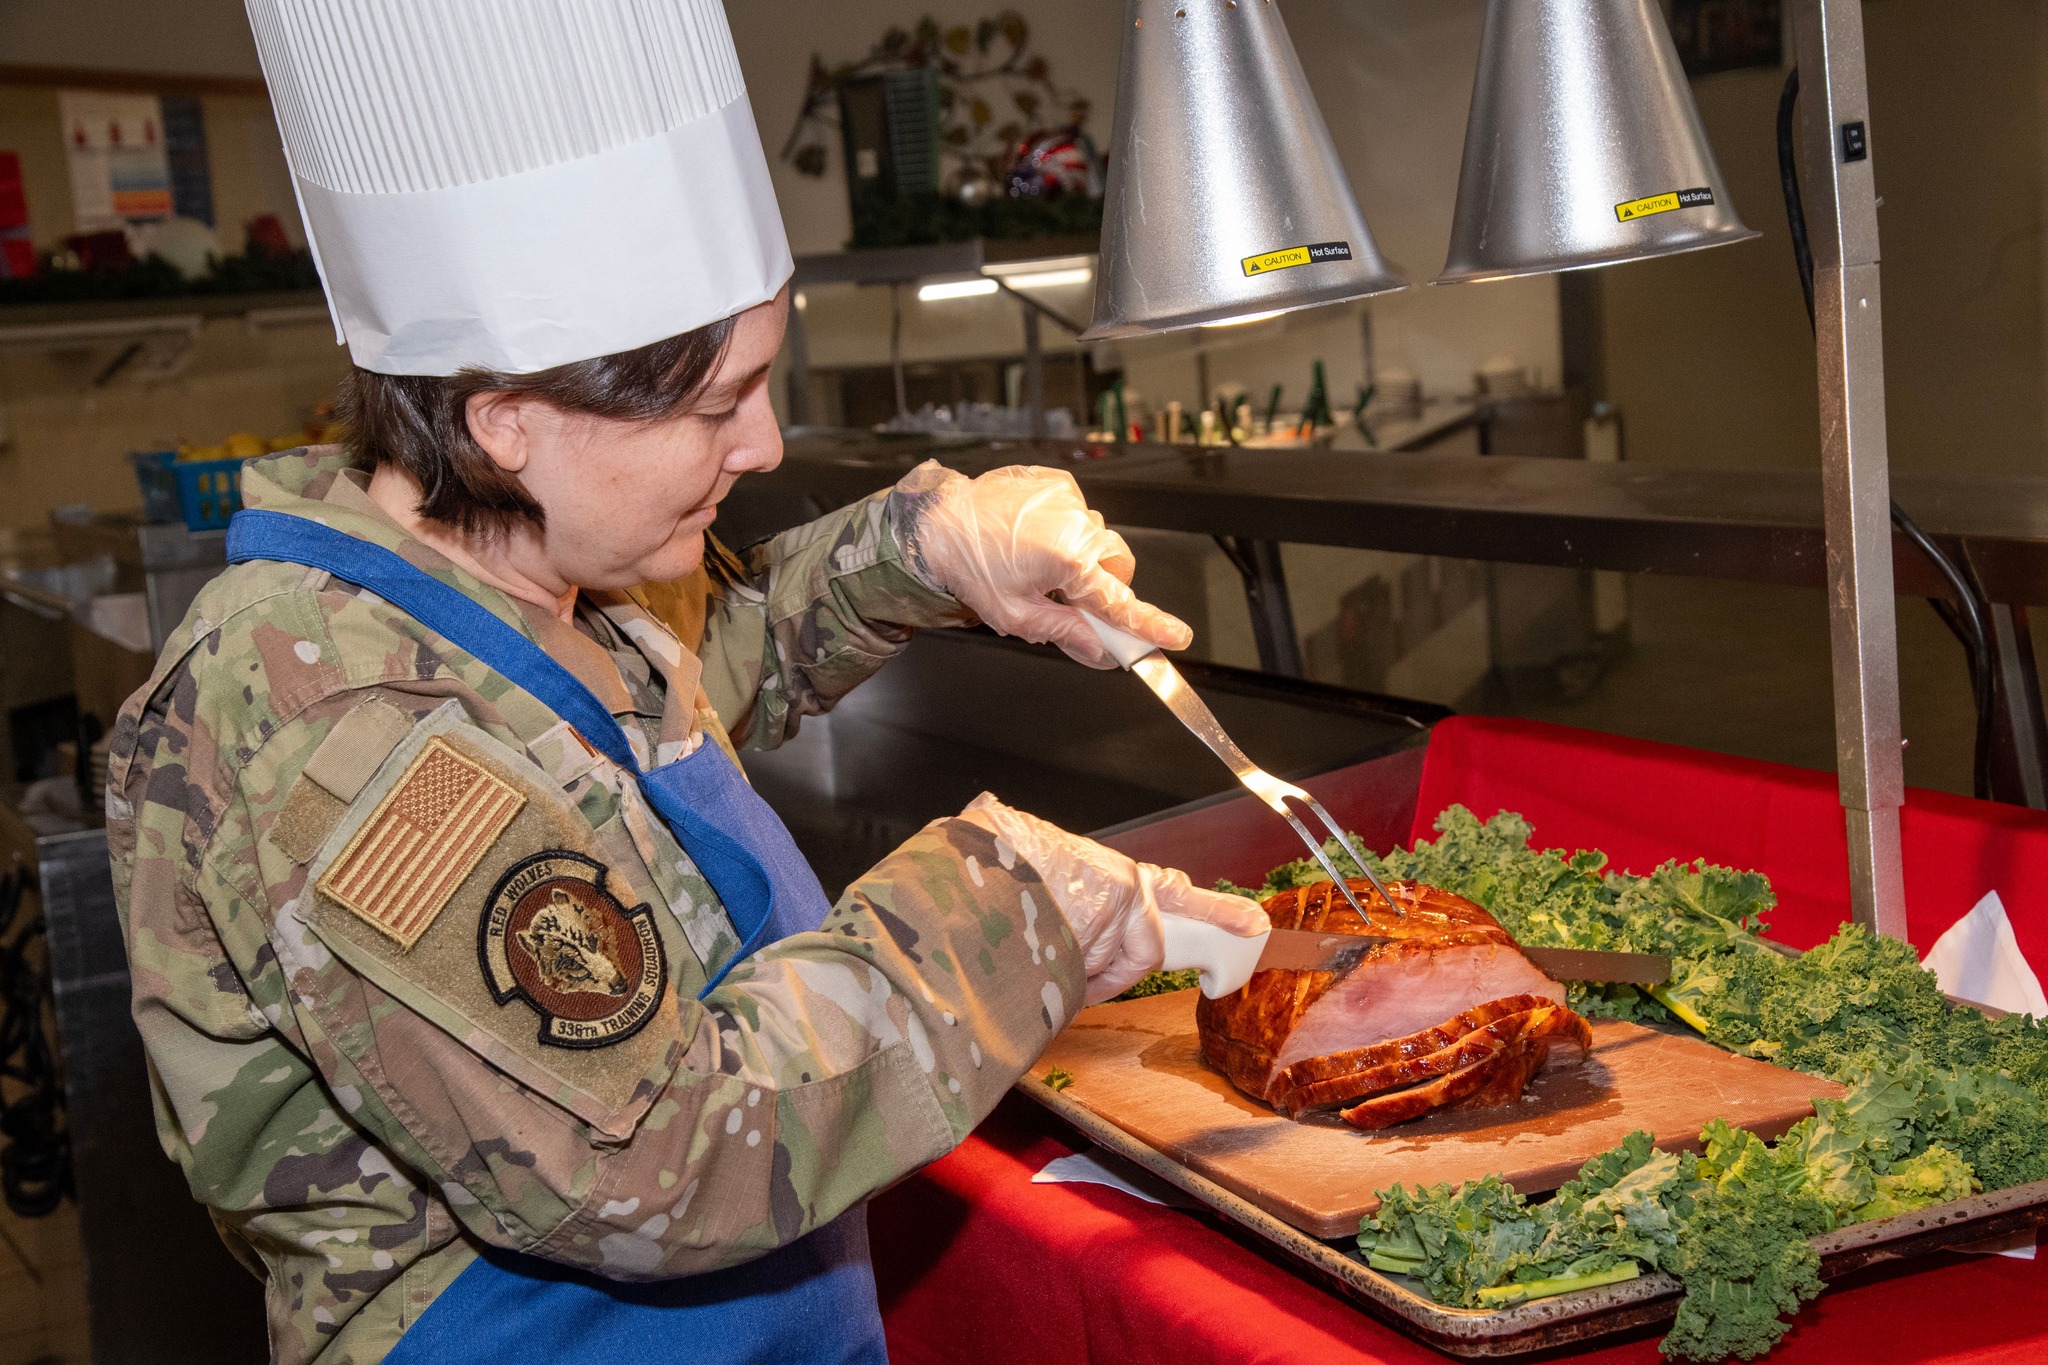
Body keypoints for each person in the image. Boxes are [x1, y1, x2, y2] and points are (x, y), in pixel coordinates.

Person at [105, 3, 1268, 1363]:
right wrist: (1014, 910)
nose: (765, 445)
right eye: (718, 405)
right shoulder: (338, 732)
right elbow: (653, 1147)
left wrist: (930, 547)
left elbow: (665, 706)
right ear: (508, 419)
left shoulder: (517, 577)